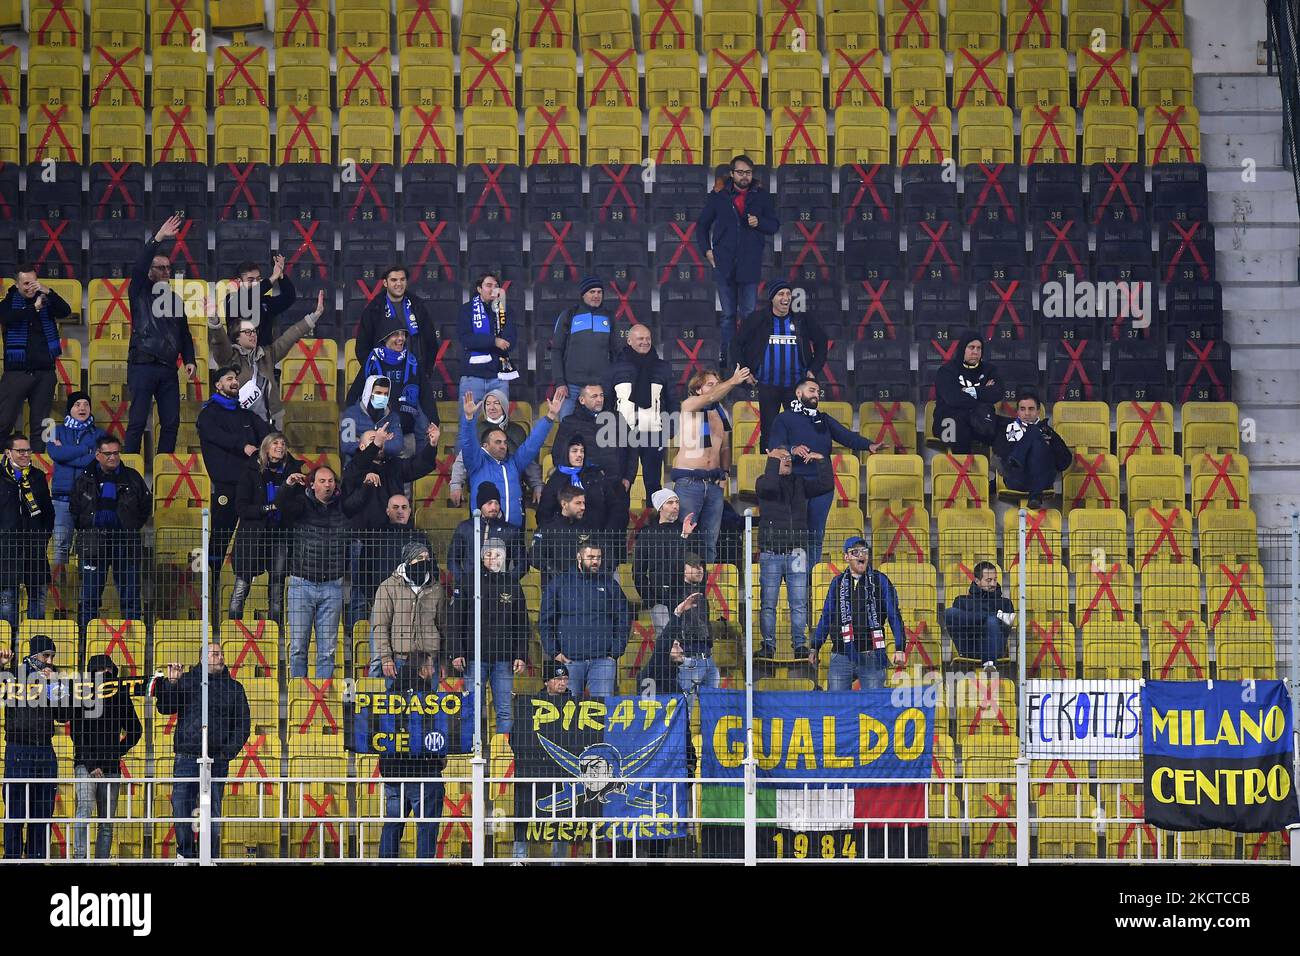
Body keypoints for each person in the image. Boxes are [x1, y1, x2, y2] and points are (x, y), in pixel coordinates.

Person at [770, 376, 883, 566]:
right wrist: (792, 449)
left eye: (818, 392)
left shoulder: (823, 419)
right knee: (796, 535)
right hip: (794, 484)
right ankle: (797, 580)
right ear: (799, 393)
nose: (816, 395)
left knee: (816, 535)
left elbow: (846, 436)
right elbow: (774, 446)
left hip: (822, 486)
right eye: (812, 391)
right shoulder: (784, 418)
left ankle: (811, 578)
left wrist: (868, 445)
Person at [153, 643, 250, 861]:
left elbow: (243, 725)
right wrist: (172, 683)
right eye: (215, 654)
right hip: (186, 756)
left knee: (213, 810)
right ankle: (185, 855)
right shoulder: (186, 680)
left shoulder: (235, 688)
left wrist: (227, 753)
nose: (221, 657)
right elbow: (165, 707)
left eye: (222, 653)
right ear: (203, 658)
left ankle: (210, 857)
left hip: (218, 759)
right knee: (181, 807)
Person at [342, 420, 440, 627]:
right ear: (362, 446)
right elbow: (355, 474)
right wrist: (375, 444)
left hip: (389, 540)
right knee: (361, 594)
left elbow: (417, 466)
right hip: (362, 541)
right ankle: (356, 640)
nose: (378, 444)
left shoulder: (393, 465)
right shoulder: (354, 467)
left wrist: (431, 446)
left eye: (380, 441)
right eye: (372, 440)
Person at [695, 155, 780, 364]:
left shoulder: (761, 196)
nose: (745, 176)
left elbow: (774, 225)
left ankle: (749, 356)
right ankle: (728, 357)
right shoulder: (719, 196)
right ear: (732, 174)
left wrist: (759, 222)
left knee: (749, 314)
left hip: (750, 264)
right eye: (740, 172)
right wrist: (707, 250)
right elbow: (702, 226)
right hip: (724, 264)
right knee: (728, 316)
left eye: (748, 173)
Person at [280, 466, 364, 678]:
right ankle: (300, 695)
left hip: (332, 586)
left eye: (330, 481)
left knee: (328, 650)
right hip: (301, 584)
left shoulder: (342, 507)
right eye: (322, 480)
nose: (327, 484)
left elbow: (359, 500)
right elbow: (281, 505)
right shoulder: (301, 504)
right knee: (298, 647)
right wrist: (288, 485)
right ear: (312, 484)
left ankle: (322, 700)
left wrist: (367, 485)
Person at [125, 214, 196, 455]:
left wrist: (189, 360)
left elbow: (184, 334)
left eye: (168, 268)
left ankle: (163, 472)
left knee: (171, 424)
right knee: (136, 422)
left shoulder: (175, 300)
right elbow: (138, 266)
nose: (166, 271)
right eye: (160, 268)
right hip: (142, 365)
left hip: (167, 369)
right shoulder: (139, 291)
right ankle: (129, 475)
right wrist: (157, 238)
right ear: (150, 272)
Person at [210, 282, 322, 430]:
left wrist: (315, 316)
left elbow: (289, 336)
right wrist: (214, 321)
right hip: (240, 421)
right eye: (248, 332)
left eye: (254, 331)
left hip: (272, 420)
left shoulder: (267, 354)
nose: (253, 335)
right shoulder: (228, 357)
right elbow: (220, 342)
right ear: (236, 337)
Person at [670, 365, 753, 563]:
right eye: (710, 385)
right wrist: (732, 381)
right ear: (698, 389)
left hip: (714, 483)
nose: (717, 388)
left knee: (710, 542)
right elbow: (709, 398)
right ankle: (682, 588)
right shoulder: (690, 404)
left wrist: (724, 475)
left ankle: (705, 589)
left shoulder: (721, 412)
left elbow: (724, 448)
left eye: (718, 384)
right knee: (685, 537)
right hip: (689, 481)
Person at [736, 280, 829, 453]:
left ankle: (798, 473)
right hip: (767, 385)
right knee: (769, 431)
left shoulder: (802, 319)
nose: (786, 298)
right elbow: (736, 344)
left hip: (795, 387)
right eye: (781, 294)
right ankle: (769, 470)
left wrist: (813, 370)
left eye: (788, 294)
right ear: (772, 298)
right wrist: (745, 371)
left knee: (799, 430)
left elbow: (822, 342)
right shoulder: (757, 319)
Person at [450, 537, 529, 736]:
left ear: (504, 558)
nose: (493, 559)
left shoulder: (512, 584)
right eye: (489, 554)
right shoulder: (468, 581)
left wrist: (520, 654)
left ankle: (503, 755)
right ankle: (472, 750)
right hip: (473, 657)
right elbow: (454, 620)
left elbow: (521, 623)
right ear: (482, 556)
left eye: (498, 555)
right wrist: (456, 652)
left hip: (503, 659)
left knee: (504, 711)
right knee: (472, 709)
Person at [67, 653, 142, 860]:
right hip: (85, 765)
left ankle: (100, 860)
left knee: (106, 821)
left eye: (109, 670)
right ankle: (80, 859)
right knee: (84, 811)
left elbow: (135, 730)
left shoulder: (120, 697)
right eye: (101, 670)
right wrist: (92, 765)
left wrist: (115, 752)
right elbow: (77, 734)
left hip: (110, 767)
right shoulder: (81, 695)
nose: (105, 674)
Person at [0, 637, 70, 859]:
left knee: (42, 814)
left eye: (52, 656)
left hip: (45, 751)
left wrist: (55, 686)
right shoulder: (13, 675)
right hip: (18, 750)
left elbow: (64, 716)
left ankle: (36, 859)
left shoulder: (55, 679)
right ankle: (11, 860)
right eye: (45, 656)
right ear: (32, 656)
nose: (49, 661)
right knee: (15, 812)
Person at [198, 364, 271, 574]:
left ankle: (244, 584)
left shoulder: (246, 415)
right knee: (220, 536)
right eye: (229, 378)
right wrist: (243, 445)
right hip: (226, 486)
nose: (234, 382)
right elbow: (215, 435)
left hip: (249, 486)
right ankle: (211, 585)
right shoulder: (208, 414)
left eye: (235, 379)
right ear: (218, 384)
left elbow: (268, 434)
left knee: (251, 539)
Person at [71, 435, 150, 625]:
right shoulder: (84, 478)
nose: (113, 457)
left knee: (130, 597)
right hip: (93, 544)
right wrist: (93, 520)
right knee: (89, 597)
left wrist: (126, 524)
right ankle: (85, 641)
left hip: (125, 543)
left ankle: (134, 643)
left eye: (116, 453)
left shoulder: (133, 477)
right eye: (108, 454)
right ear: (98, 455)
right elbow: (74, 510)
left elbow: (145, 507)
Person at [459, 387, 564, 529]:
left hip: (514, 534)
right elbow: (467, 442)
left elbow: (532, 444)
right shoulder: (476, 464)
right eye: (497, 442)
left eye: (504, 442)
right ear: (485, 445)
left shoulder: (513, 463)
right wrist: (469, 419)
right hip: (485, 533)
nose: (503, 446)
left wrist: (550, 416)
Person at [228, 432, 306, 621]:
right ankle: (233, 626)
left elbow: (300, 505)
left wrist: (284, 507)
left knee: (278, 583)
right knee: (242, 583)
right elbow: (242, 507)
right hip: (253, 535)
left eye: (283, 443)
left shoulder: (294, 472)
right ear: (265, 448)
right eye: (275, 443)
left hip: (280, 534)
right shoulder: (250, 472)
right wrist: (268, 508)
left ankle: (275, 629)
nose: (280, 446)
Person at [811, 538, 907, 691]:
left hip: (872, 654)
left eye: (864, 551)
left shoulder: (880, 580)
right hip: (841, 654)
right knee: (837, 706)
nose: (860, 555)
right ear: (846, 557)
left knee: (873, 708)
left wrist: (900, 647)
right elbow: (827, 616)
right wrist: (814, 646)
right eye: (855, 552)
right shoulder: (837, 582)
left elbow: (894, 615)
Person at [539, 543, 631, 698]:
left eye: (598, 558)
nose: (595, 561)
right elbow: (545, 620)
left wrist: (615, 652)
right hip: (570, 660)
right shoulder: (560, 583)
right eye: (590, 557)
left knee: (601, 713)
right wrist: (554, 652)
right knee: (570, 713)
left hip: (603, 661)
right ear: (579, 557)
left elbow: (623, 619)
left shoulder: (610, 584)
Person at [353, 264, 440, 426]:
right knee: (383, 425)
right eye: (393, 280)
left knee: (420, 426)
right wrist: (374, 371)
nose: (398, 284)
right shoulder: (374, 308)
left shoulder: (417, 305)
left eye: (402, 280)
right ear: (385, 283)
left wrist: (425, 372)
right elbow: (362, 347)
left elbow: (430, 342)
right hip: (384, 379)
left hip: (413, 375)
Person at [378, 649, 445, 859]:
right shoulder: (429, 698)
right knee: (426, 829)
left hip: (393, 771)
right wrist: (438, 761)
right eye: (431, 666)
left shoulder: (390, 695)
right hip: (424, 772)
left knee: (392, 826)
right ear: (422, 669)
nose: (433, 670)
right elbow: (435, 736)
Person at [0, 262, 72, 451]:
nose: (30, 287)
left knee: (41, 425)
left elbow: (65, 311)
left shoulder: (46, 299)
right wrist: (35, 309)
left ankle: (39, 465)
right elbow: (7, 318)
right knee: (4, 421)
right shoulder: (8, 303)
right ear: (17, 285)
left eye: (33, 282)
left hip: (44, 372)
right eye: (25, 284)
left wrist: (48, 292)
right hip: (17, 373)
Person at [550, 383, 633, 533]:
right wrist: (571, 481)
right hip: (584, 489)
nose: (599, 399)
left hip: (615, 487)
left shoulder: (616, 418)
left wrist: (628, 477)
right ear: (582, 400)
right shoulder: (569, 422)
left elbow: (632, 448)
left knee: (616, 534)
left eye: (601, 395)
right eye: (594, 396)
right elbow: (558, 454)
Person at [755, 446, 813, 659]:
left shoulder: (799, 482)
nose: (787, 460)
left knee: (798, 603)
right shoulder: (763, 481)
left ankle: (800, 646)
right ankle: (768, 647)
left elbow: (826, 484)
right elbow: (770, 487)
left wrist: (822, 460)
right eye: (782, 458)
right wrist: (772, 460)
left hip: (797, 553)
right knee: (768, 604)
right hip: (770, 553)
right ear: (771, 461)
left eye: (788, 457)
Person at [606, 324, 676, 497]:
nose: (645, 342)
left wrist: (670, 429)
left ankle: (656, 522)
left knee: (653, 483)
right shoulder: (615, 368)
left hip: (653, 433)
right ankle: (620, 522)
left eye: (648, 339)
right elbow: (607, 402)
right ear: (629, 341)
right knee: (621, 482)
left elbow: (672, 400)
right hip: (623, 434)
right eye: (640, 339)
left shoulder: (663, 367)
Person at [354, 493, 432, 640]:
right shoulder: (375, 538)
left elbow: (431, 570)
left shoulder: (420, 538)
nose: (400, 511)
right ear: (388, 511)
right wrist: (373, 598)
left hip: (412, 606)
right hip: (382, 604)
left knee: (408, 655)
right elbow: (363, 571)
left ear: (410, 511)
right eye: (395, 507)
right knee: (378, 655)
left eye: (404, 507)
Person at [448, 389, 542, 509]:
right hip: (483, 494)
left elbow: (528, 461)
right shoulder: (477, 430)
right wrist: (456, 484)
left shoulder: (517, 431)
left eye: (496, 403)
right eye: (488, 404)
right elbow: (463, 459)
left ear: (504, 406)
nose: (491, 407)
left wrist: (537, 484)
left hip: (511, 492)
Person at [46, 390, 106, 572]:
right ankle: (60, 595)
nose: (82, 408)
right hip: (62, 499)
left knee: (88, 550)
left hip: (89, 499)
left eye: (86, 404)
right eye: (77, 404)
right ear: (70, 409)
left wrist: (67, 453)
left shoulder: (99, 434)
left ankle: (84, 596)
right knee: (61, 546)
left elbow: (97, 459)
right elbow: (55, 453)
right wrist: (84, 450)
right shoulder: (55, 430)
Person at [346, 321, 430, 448]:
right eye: (395, 334)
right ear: (385, 338)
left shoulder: (413, 361)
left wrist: (434, 420)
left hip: (407, 431)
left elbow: (426, 393)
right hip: (378, 430)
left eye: (403, 334)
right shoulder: (373, 361)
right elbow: (354, 395)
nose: (401, 338)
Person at [0, 433, 54, 632]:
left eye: (28, 450)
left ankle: (34, 650)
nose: (25, 454)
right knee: (7, 607)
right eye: (20, 451)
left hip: (34, 550)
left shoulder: (37, 477)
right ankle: (8, 654)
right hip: (6, 552)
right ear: (8, 452)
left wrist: (42, 537)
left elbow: (49, 512)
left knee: (38, 602)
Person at [371, 541, 445, 682]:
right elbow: (380, 625)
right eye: (420, 558)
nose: (425, 562)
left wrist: (443, 660)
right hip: (400, 660)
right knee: (398, 703)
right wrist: (386, 658)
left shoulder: (436, 588)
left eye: (427, 558)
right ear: (408, 561)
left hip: (429, 661)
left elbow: (443, 626)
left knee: (429, 703)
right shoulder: (388, 587)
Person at [550, 275, 619, 420]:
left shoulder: (609, 317)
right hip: (571, 386)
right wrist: (560, 382)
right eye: (592, 292)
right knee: (566, 429)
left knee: (598, 432)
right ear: (583, 294)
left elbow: (616, 352)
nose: (596, 295)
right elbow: (556, 351)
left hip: (599, 387)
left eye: (599, 292)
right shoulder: (569, 315)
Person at [632, 488, 699, 632]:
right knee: (666, 646)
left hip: (684, 596)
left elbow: (696, 564)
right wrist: (651, 600)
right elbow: (638, 572)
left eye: (677, 502)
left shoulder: (687, 531)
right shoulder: (647, 534)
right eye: (670, 502)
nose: (675, 506)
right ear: (660, 507)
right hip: (659, 599)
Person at [995, 390, 1073, 511]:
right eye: (1022, 409)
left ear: (1038, 411)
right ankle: (1035, 496)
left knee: (1037, 439)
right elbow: (1001, 457)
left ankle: (1018, 459)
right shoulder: (1007, 430)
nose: (1027, 413)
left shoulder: (1049, 433)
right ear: (1018, 412)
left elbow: (1064, 462)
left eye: (1031, 409)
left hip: (1043, 481)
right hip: (1017, 479)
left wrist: (1051, 442)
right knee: (1035, 432)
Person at [656, 556, 716, 695]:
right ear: (682, 569)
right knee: (685, 708)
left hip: (708, 659)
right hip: (689, 658)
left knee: (711, 709)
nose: (699, 569)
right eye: (694, 566)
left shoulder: (701, 594)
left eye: (701, 566)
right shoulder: (674, 592)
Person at [932, 332, 1000, 454]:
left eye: (979, 348)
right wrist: (983, 395)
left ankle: (1007, 468)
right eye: (971, 347)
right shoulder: (947, 371)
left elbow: (997, 393)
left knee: (1009, 428)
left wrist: (969, 391)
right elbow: (953, 398)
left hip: (980, 419)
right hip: (947, 422)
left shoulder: (990, 370)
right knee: (961, 426)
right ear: (963, 348)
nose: (975, 352)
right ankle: (963, 471)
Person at [447, 482, 526, 584]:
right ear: (480, 506)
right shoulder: (465, 528)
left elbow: (522, 562)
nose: (493, 507)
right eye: (489, 503)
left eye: (496, 503)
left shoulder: (510, 530)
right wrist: (464, 581)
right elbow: (452, 560)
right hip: (471, 587)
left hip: (499, 588)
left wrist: (507, 582)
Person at [944, 561, 1016, 672]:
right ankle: (990, 616)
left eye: (995, 579)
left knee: (992, 622)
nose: (993, 584)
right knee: (949, 613)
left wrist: (976, 618)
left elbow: (1007, 626)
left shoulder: (1005, 603)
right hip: (968, 647)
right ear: (977, 581)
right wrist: (991, 615)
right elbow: (955, 623)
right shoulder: (961, 601)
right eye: (988, 580)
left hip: (994, 648)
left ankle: (989, 663)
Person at [458, 272, 518, 401]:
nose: (493, 289)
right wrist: (494, 341)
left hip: (498, 377)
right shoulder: (467, 310)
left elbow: (509, 342)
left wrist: (483, 343)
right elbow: (466, 339)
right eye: (488, 285)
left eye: (496, 286)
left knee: (499, 420)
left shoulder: (506, 311)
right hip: (472, 377)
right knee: (468, 420)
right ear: (479, 289)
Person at [220, 255, 299, 347]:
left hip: (264, 357)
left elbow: (289, 297)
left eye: (258, 279)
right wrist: (272, 278)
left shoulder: (265, 301)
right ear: (239, 282)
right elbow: (249, 298)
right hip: (238, 358)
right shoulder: (232, 299)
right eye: (250, 280)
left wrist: (281, 276)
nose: (255, 283)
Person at [537, 434, 608, 529]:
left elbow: (602, 506)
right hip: (562, 535)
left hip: (591, 533)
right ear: (566, 453)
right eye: (574, 451)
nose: (579, 455)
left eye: (582, 451)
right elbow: (544, 512)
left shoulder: (594, 475)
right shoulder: (556, 478)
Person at [530, 485, 597, 584]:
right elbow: (534, 556)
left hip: (584, 585)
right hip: (554, 586)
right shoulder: (547, 527)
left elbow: (600, 554)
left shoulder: (588, 527)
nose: (583, 507)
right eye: (578, 503)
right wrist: (551, 569)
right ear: (564, 504)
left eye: (583, 503)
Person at [341, 375, 405, 467]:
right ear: (368, 392)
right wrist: (382, 441)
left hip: (383, 466)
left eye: (385, 394)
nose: (382, 397)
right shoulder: (350, 414)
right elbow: (347, 446)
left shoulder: (393, 417)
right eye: (378, 393)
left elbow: (397, 446)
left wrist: (363, 441)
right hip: (356, 467)